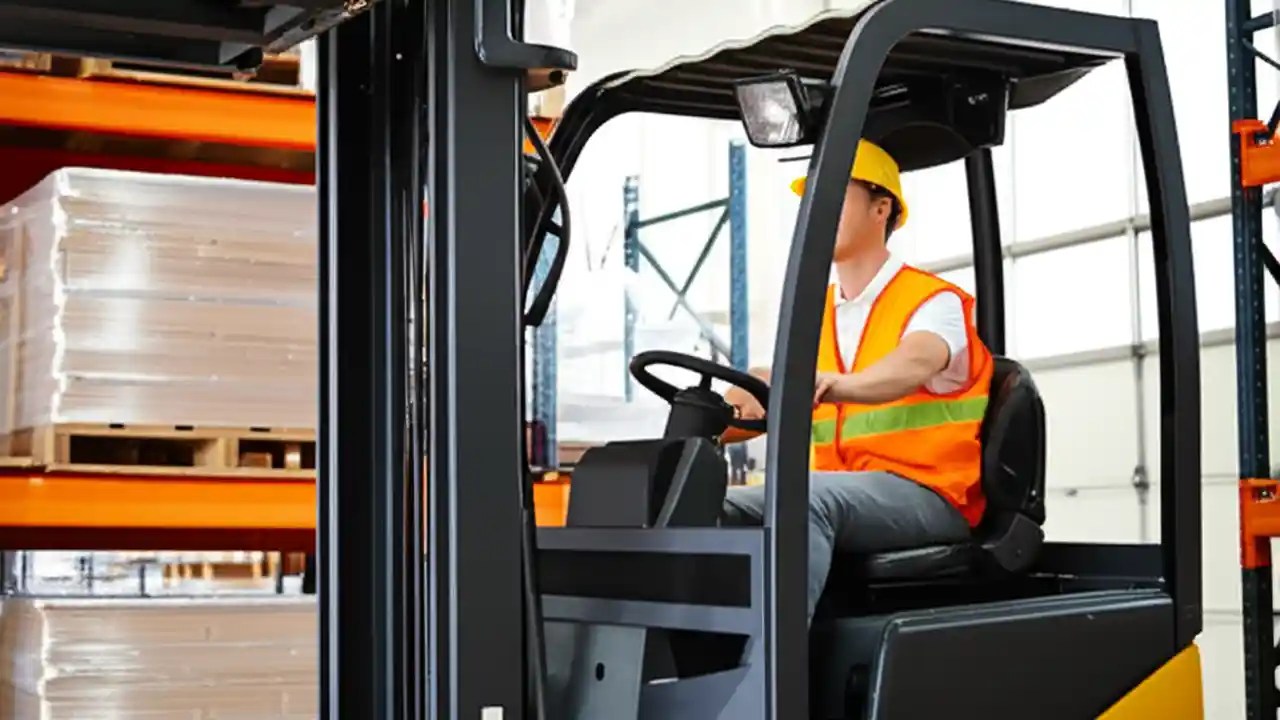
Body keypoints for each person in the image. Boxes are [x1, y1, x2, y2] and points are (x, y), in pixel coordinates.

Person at [721, 139, 994, 623]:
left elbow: (913, 362)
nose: (815, 213)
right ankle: (703, 662)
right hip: (842, 492)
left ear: (880, 207)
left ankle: (775, 681)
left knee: (801, 500)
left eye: (832, 198)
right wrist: (722, 413)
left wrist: (830, 385)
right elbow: (769, 387)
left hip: (928, 494)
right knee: (707, 503)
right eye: (810, 201)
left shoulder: (932, 301)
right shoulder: (814, 312)